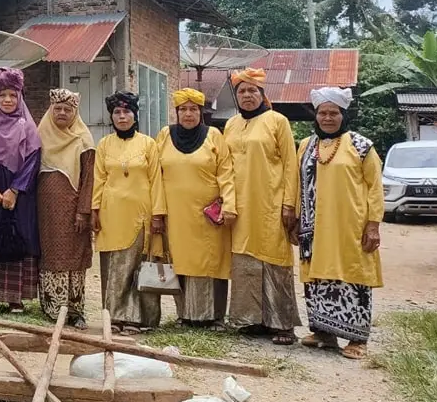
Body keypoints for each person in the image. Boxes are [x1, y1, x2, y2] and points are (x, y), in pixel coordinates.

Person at [297, 87, 384, 360]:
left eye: (333, 113)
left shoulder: (361, 146)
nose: (327, 118)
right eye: (322, 112)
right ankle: (324, 333)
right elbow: (296, 184)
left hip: (350, 226)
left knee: (353, 277)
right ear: (316, 115)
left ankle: (357, 339)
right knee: (318, 277)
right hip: (314, 228)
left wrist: (373, 224)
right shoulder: (306, 145)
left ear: (343, 115)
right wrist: (294, 219)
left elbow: (375, 187)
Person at [223, 68, 301, 345]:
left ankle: (281, 324)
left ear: (262, 94)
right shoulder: (231, 125)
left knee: (275, 259)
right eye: (242, 91)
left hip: (271, 201)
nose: (247, 95)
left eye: (252, 91)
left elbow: (291, 164)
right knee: (244, 261)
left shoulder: (277, 121)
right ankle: (250, 320)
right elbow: (223, 165)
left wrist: (290, 203)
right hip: (240, 205)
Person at [155, 88, 238, 328]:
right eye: (183, 109)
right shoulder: (164, 135)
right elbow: (155, 175)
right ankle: (185, 315)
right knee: (180, 262)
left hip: (208, 215)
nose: (188, 114)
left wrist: (229, 205)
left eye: (193, 109)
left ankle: (214, 317)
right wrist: (158, 211)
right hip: (176, 213)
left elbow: (226, 173)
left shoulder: (214, 135)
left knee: (211, 262)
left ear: (201, 112)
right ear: (177, 112)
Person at [92, 92, 165, 334]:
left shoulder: (148, 144)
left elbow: (156, 181)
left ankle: (139, 318)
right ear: (111, 117)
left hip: (141, 214)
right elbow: (98, 179)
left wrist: (158, 214)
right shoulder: (104, 144)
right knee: (114, 266)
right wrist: (94, 210)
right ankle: (114, 316)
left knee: (138, 265)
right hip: (111, 214)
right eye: (117, 112)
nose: (122, 116)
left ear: (135, 115)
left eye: (126, 112)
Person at [0, 68, 42, 314]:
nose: (7, 100)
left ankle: (16, 298)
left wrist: (14, 190)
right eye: (2, 95)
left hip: (19, 195)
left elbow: (33, 159)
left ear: (20, 97)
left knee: (17, 235)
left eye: (13, 95)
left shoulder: (28, 127)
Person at [35, 88, 95, 328]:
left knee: (74, 256)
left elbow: (89, 178)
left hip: (73, 209)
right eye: (57, 108)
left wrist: (83, 210)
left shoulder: (83, 140)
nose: (61, 113)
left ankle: (75, 309)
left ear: (75, 112)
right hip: (45, 209)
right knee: (49, 253)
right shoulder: (40, 135)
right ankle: (52, 307)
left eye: (67, 109)